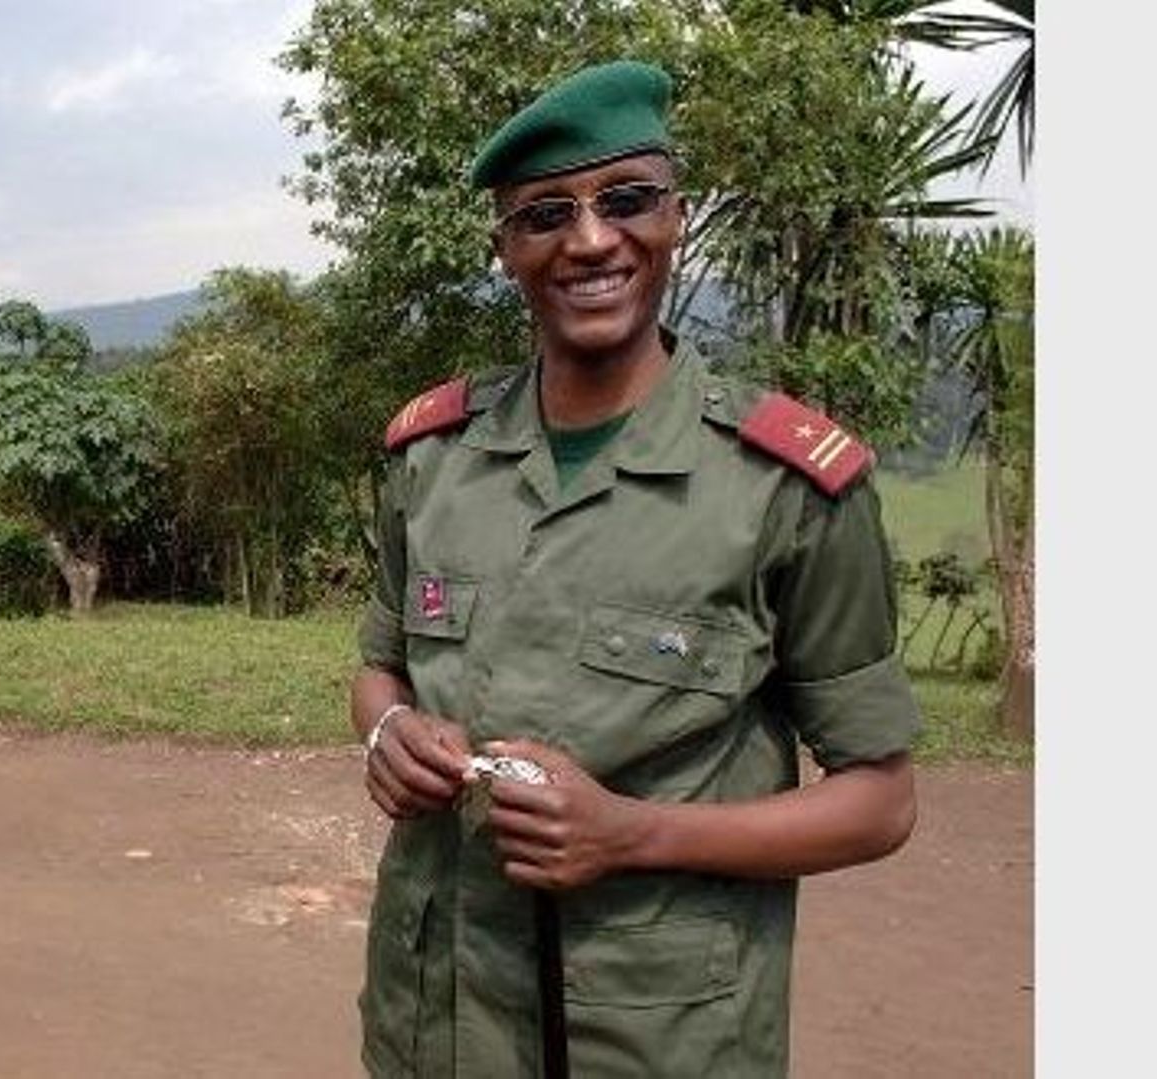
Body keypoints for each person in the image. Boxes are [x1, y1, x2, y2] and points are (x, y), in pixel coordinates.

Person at [351, 60, 920, 1077]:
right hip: (432, 1019)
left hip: (657, 1038)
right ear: (505, 249)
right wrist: (387, 732)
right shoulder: (433, 458)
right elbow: (380, 667)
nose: (589, 240)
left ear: (677, 218)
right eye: (544, 214)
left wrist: (631, 834)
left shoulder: (782, 486)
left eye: (626, 200)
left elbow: (880, 800)